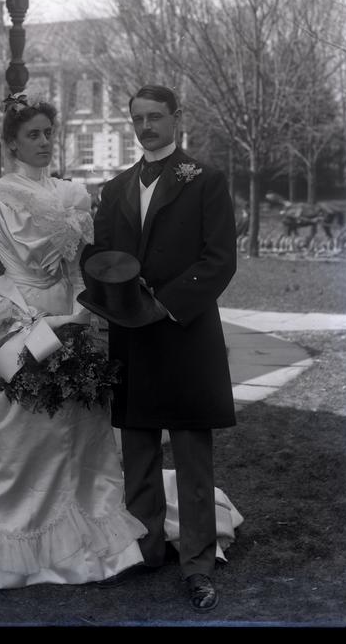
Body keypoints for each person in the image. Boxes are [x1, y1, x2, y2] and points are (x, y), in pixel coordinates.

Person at [0, 94, 148, 589]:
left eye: (50, 132)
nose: (45, 142)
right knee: (19, 426)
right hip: (14, 312)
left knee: (81, 421)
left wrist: (79, 308)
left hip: (65, 312)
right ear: (12, 143)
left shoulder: (73, 197)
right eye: (34, 134)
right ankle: (17, 527)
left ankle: (86, 522)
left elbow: (76, 270)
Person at [80, 84, 239, 612]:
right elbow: (104, 256)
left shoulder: (206, 180)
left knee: (193, 453)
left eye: (155, 117)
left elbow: (219, 260)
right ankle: (145, 551)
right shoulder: (116, 186)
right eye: (138, 119)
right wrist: (102, 282)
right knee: (139, 450)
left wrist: (163, 304)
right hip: (132, 335)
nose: (146, 127)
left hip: (186, 332)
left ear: (176, 118)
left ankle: (197, 563)